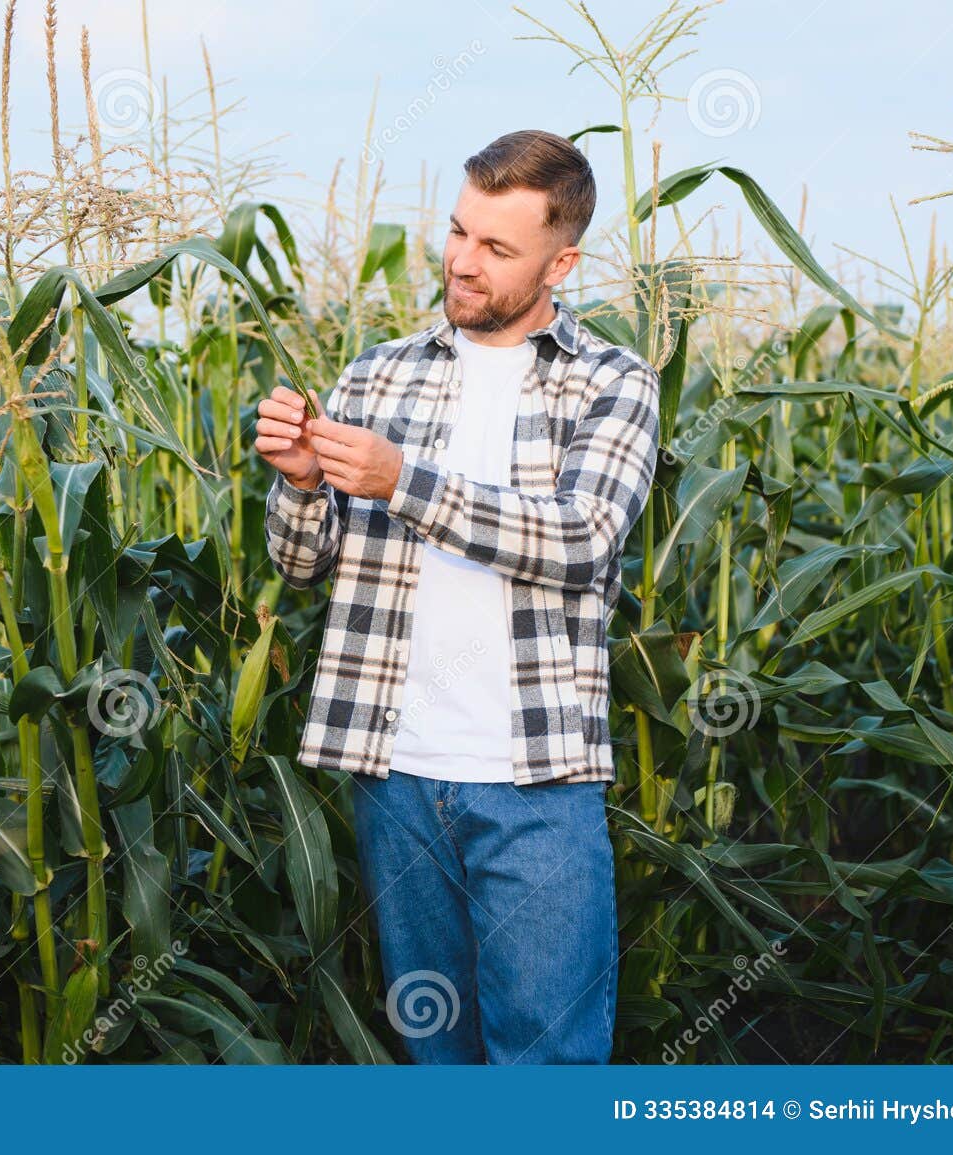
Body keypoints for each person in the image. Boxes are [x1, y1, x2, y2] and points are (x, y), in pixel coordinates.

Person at [254, 129, 661, 1064]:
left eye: (496, 249)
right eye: (458, 232)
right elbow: (302, 566)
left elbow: (580, 538)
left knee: (547, 1061)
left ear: (562, 262)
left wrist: (402, 479)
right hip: (393, 772)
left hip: (536, 779)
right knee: (437, 1057)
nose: (462, 264)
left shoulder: (612, 382)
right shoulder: (376, 374)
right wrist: (304, 483)